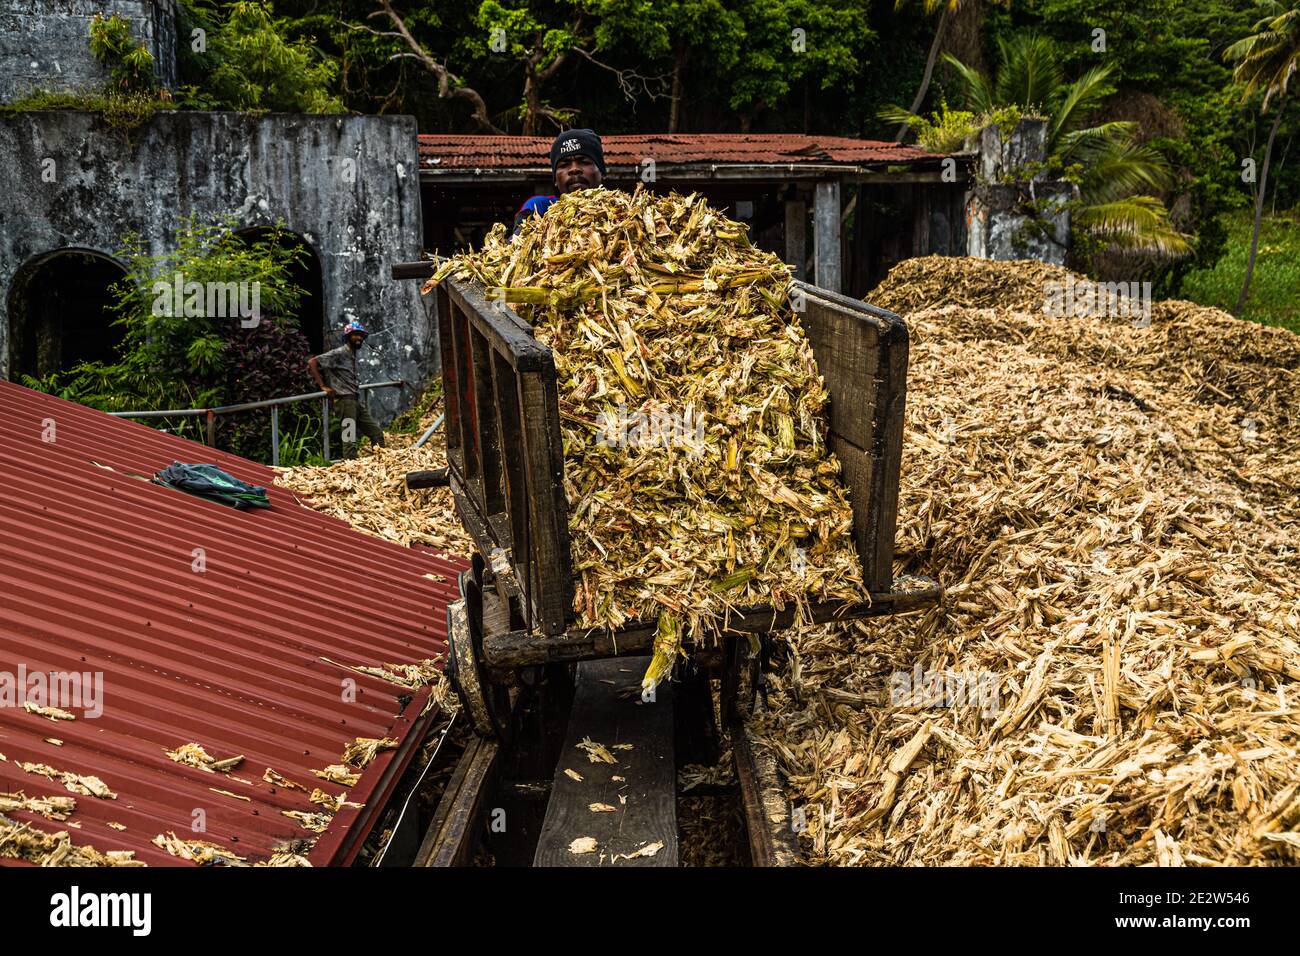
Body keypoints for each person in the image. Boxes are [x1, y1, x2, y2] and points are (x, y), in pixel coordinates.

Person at [308, 323, 386, 459]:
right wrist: (322, 386)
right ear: (348, 336)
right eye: (356, 335)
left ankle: (379, 464)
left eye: (361, 336)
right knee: (349, 439)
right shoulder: (339, 352)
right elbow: (312, 362)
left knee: (376, 433)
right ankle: (351, 471)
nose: (359, 338)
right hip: (344, 401)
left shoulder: (351, 354)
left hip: (354, 400)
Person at [510, 128, 606, 236]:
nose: (574, 169)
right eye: (564, 165)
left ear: (601, 171)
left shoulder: (622, 211)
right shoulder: (539, 207)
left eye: (584, 162)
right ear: (555, 179)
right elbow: (517, 242)